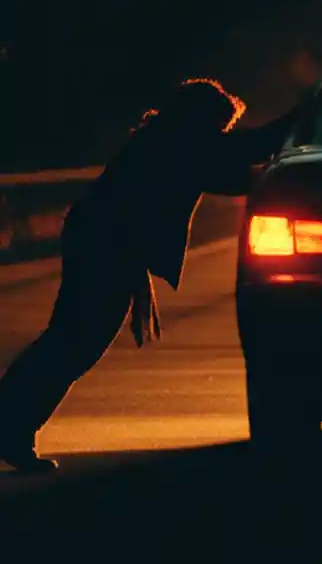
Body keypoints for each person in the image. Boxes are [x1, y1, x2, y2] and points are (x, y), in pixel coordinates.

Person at [0, 78, 302, 472]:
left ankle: (14, 424)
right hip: (106, 242)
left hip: (99, 237)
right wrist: (308, 110)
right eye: (221, 126)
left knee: (71, 340)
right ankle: (14, 427)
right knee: (74, 342)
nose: (222, 134)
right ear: (204, 119)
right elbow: (252, 149)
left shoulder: (166, 139)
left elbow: (238, 171)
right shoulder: (182, 144)